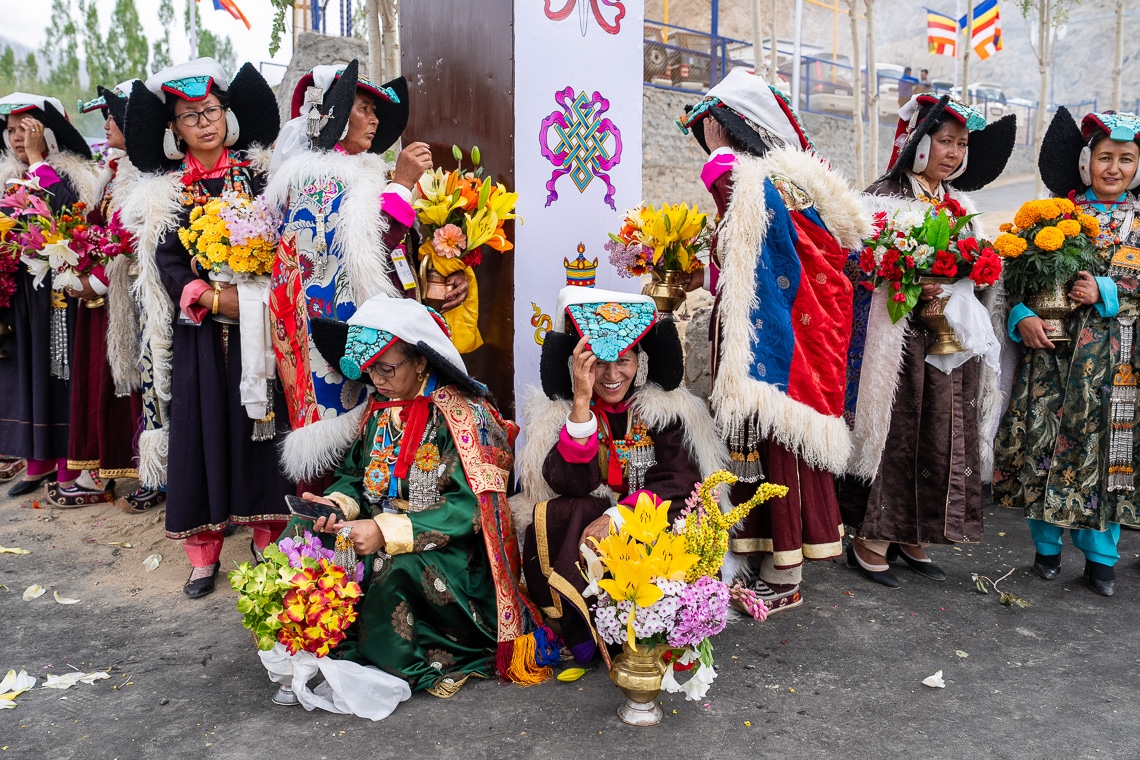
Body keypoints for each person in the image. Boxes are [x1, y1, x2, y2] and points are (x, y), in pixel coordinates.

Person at [288, 294, 553, 695]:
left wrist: (385, 531)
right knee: (302, 533)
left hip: (449, 550)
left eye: (386, 367)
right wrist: (336, 504)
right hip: (372, 527)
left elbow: (470, 509)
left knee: (391, 565)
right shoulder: (380, 408)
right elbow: (354, 474)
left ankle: (394, 659)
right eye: (369, 368)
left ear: (421, 361)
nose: (376, 379)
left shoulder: (465, 415)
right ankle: (313, 636)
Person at [676, 68, 871, 612]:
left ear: (727, 125)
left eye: (708, 123)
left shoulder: (757, 180)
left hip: (779, 340)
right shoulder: (785, 184)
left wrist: (721, 148)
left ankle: (785, 572)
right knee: (758, 447)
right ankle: (760, 555)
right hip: (769, 329)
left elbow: (723, 179)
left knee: (780, 446)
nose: (705, 135)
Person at [122, 58, 289, 597]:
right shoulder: (168, 192)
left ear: (227, 115)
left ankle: (268, 537)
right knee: (202, 429)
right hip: (200, 331)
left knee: (261, 425)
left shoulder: (260, 176)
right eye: (190, 116)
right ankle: (204, 552)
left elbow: (285, 241)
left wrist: (255, 291)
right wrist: (210, 295)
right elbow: (166, 260)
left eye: (211, 111)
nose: (204, 123)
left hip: (259, 325)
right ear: (174, 128)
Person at [842, 94, 1017, 587]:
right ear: (920, 143)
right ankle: (872, 537)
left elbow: (979, 272)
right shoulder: (883, 197)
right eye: (945, 141)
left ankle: (913, 531)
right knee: (898, 434)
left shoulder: (960, 206)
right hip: (899, 343)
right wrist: (907, 281)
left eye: (961, 144)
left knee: (942, 431)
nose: (954, 153)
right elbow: (856, 264)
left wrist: (972, 276)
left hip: (948, 341)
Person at [267, 61, 467, 490]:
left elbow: (389, 252)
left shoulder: (363, 170)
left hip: (365, 321)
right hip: (331, 328)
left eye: (376, 111)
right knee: (339, 445)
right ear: (334, 115)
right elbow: (364, 248)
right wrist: (402, 185)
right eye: (363, 108)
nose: (374, 119)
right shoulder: (317, 179)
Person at [516, 287, 729, 664]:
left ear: (639, 361)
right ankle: (579, 626)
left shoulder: (664, 410)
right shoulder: (563, 413)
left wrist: (619, 517)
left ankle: (639, 629)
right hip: (592, 526)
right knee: (557, 513)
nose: (613, 375)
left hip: (652, 521)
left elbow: (679, 482)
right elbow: (569, 483)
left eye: (624, 361)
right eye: (599, 363)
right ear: (581, 365)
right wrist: (581, 405)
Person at [993, 108, 1140, 597]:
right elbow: (1012, 279)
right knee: (1043, 444)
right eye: (1104, 157)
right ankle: (1046, 550)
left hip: (1115, 367)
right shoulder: (1053, 216)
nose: (1113, 168)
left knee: (1107, 456)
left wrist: (1107, 290)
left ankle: (1102, 558)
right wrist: (1020, 315)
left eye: (1125, 159)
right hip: (1049, 359)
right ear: (1084, 162)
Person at [46, 81, 161, 510]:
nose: (107, 124)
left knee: (141, 386)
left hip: (131, 295)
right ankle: (105, 469)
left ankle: (149, 473)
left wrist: (95, 280)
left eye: (114, 116)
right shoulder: (112, 173)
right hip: (105, 295)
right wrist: (74, 267)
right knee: (103, 381)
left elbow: (130, 240)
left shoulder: (144, 174)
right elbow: (98, 233)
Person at [0, 92, 99, 497]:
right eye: (12, 130)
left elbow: (62, 216)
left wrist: (39, 160)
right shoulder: (8, 176)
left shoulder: (71, 176)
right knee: (27, 373)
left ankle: (66, 462)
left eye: (28, 129)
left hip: (59, 295)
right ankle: (36, 459)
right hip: (22, 296)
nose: (18, 138)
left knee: (60, 373)